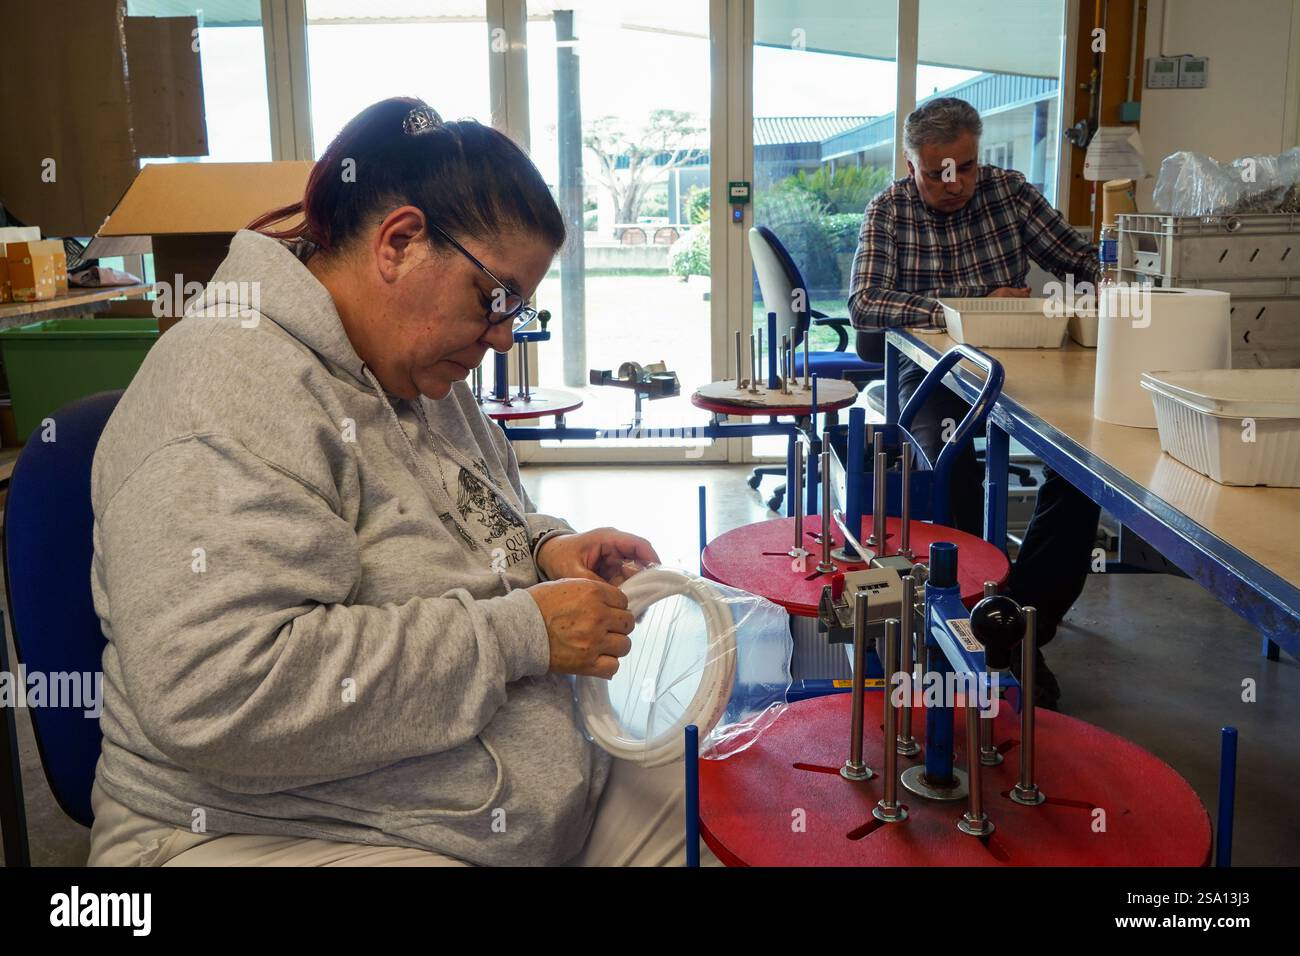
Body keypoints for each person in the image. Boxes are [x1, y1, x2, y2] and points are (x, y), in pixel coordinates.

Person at [86, 97, 720, 867]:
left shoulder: (417, 373)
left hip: (488, 802)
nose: (504, 335)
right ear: (400, 242)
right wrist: (522, 633)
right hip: (270, 829)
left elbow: (473, 515)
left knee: (723, 801)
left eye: (519, 306)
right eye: (495, 297)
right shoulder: (224, 395)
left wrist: (545, 548)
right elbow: (220, 690)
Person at [848, 97, 1102, 709]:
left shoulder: (1010, 193)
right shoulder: (889, 210)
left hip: (1020, 367)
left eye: (965, 165)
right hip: (931, 371)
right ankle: (960, 613)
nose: (954, 182)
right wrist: (965, 307)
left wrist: (1109, 282)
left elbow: (1081, 261)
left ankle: (1012, 622)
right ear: (910, 164)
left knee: (1084, 472)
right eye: (936, 170)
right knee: (946, 459)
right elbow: (865, 304)